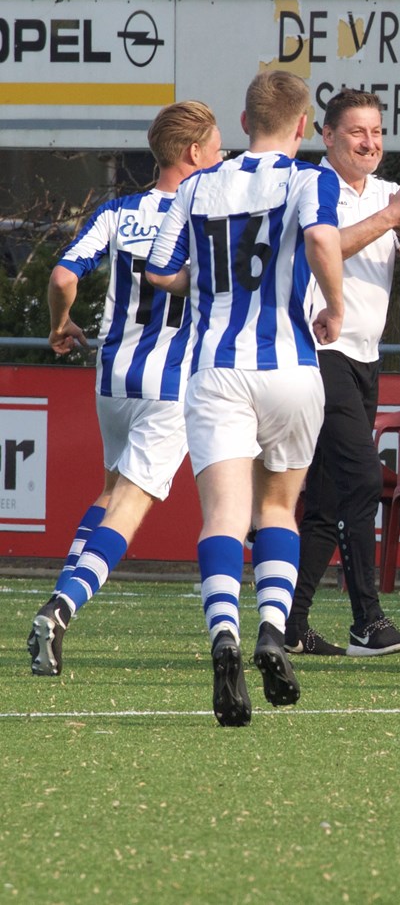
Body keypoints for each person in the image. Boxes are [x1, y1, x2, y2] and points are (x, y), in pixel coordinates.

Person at [145, 70, 344, 727]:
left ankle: (223, 634)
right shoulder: (310, 179)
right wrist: (336, 306)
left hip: (215, 370)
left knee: (225, 516)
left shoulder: (199, 185)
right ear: (300, 124)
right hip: (289, 363)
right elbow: (318, 239)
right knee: (280, 507)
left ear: (244, 115)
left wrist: (203, 284)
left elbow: (160, 269)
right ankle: (271, 629)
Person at [28, 102, 224, 676]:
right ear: (193, 154)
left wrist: (59, 324)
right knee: (129, 511)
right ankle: (61, 607)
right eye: (216, 147)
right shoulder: (205, 214)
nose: (223, 156)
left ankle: (59, 604)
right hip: (170, 383)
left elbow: (63, 274)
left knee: (110, 492)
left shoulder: (118, 212)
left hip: (112, 379)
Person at [286, 89, 400, 659]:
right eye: (357, 132)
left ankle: (291, 624)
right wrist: (389, 217)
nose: (370, 142)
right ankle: (367, 621)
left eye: (376, 132)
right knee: (362, 482)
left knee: (327, 503)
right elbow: (323, 248)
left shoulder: (388, 195)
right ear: (326, 136)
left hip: (364, 360)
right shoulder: (311, 186)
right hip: (319, 351)